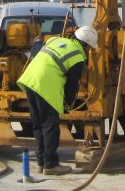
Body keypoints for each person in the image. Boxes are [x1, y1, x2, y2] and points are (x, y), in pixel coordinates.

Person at [17, 24, 99, 176]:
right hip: (45, 86)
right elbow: (72, 84)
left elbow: (36, 49)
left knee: (38, 125)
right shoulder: (78, 57)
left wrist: (36, 41)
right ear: (86, 45)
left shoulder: (55, 40)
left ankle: (41, 162)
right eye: (89, 48)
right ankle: (51, 165)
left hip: (29, 81)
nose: (89, 51)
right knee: (50, 126)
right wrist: (68, 103)